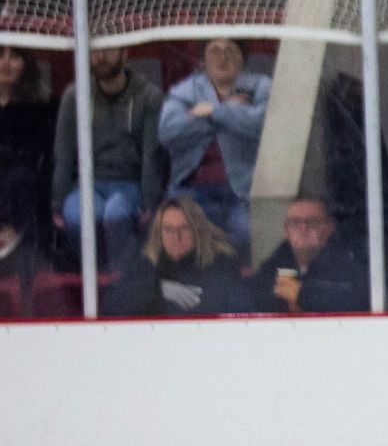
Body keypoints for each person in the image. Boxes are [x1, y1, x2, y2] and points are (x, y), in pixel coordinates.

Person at [51, 47, 165, 263]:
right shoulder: (75, 95)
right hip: (87, 183)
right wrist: (58, 202)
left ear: (125, 53)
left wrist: (150, 202)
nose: (101, 56)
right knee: (78, 215)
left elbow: (152, 157)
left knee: (116, 214)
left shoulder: (150, 96)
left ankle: (122, 277)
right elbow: (63, 153)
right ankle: (92, 275)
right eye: (94, 51)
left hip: (130, 183)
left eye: (108, 50)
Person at [159, 38, 271, 253]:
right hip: (191, 190)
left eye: (230, 50)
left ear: (242, 58)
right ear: (202, 61)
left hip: (242, 193)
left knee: (246, 235)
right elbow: (168, 131)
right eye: (215, 51)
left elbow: (261, 124)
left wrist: (213, 111)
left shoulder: (260, 86)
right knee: (183, 239)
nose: (223, 57)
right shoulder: (186, 90)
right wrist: (230, 110)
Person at [101, 194, 243, 317]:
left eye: (184, 228)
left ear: (197, 231)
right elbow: (113, 303)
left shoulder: (221, 258)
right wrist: (157, 289)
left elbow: (223, 303)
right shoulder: (145, 258)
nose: (176, 236)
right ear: (159, 233)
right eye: (168, 229)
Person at [251, 196, 368, 313]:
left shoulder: (347, 261)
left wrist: (303, 295)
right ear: (286, 230)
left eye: (312, 222)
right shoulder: (276, 261)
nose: (303, 228)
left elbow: (364, 299)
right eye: (295, 222)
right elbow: (250, 298)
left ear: (329, 227)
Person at [0, 45, 55, 283]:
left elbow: (46, 159)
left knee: (20, 178)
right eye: (1, 56)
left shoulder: (42, 105)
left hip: (25, 194)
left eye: (14, 56)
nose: (6, 63)